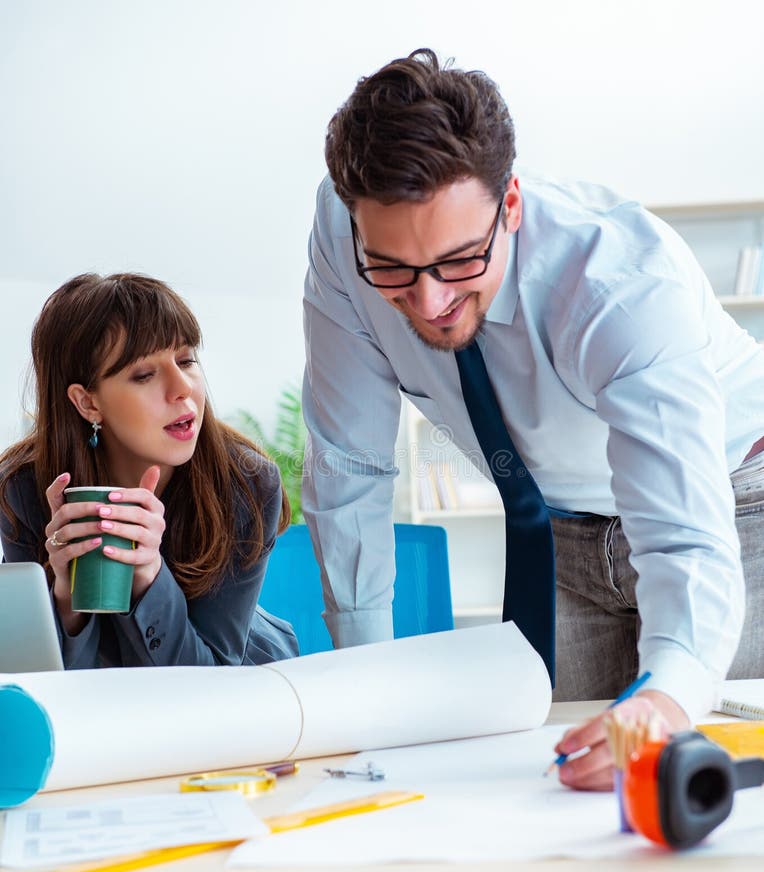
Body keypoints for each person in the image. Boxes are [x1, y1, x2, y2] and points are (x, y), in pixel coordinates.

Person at [300, 49, 764, 790]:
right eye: (392, 269)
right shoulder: (341, 233)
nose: (430, 302)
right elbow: (348, 463)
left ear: (510, 204)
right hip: (562, 533)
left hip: (734, 508)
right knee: (565, 777)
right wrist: (366, 682)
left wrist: (670, 695)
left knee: (700, 778)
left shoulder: (618, 282)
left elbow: (683, 531)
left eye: (459, 261)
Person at [0, 272, 298, 668]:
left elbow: (211, 682)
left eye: (186, 360)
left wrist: (149, 576)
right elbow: (40, 681)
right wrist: (66, 597)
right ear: (88, 403)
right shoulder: (23, 489)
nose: (182, 388)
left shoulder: (245, 483)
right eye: (144, 374)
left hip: (244, 683)